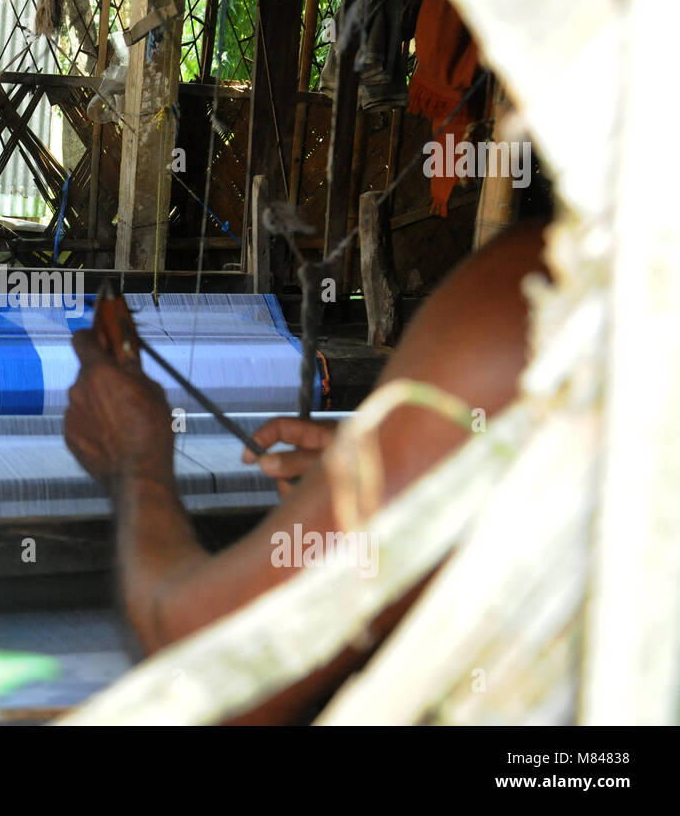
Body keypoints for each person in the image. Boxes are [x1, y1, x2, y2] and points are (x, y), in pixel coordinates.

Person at [64, 219, 550, 722]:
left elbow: (208, 669)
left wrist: (136, 467)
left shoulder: (526, 291)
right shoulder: (591, 291)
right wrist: (392, 468)